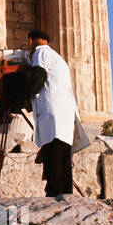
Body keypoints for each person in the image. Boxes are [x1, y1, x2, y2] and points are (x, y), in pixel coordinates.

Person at [27, 29, 76, 196]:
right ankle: (65, 190)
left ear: (31, 42)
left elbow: (38, 76)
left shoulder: (40, 53)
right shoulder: (58, 58)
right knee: (63, 152)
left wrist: (24, 93)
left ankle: (54, 190)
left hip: (51, 108)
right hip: (65, 110)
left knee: (52, 149)